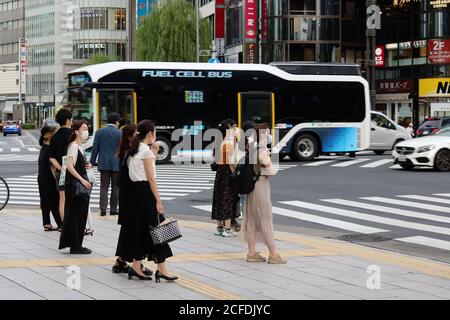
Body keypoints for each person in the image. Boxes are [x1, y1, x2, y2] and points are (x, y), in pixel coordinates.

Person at [115, 120, 177, 282]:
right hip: (145, 194)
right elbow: (150, 177)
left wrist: (154, 152)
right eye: (154, 132)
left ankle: (137, 266)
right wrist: (158, 200)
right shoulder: (145, 152)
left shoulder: (134, 150)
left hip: (135, 195)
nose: (155, 135)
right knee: (156, 231)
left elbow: (143, 170)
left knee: (141, 231)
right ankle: (161, 269)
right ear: (150, 134)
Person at [241, 124, 287, 264]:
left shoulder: (251, 147)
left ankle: (251, 253)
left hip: (252, 188)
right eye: (267, 132)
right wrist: (272, 166)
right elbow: (272, 171)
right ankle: (273, 254)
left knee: (251, 220)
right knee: (265, 220)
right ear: (261, 134)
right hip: (261, 188)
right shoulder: (261, 150)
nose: (269, 135)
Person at [112, 123, 152, 276]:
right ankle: (131, 263)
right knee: (132, 230)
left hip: (128, 195)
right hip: (130, 196)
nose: (138, 135)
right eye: (136, 133)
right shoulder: (131, 151)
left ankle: (125, 262)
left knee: (130, 230)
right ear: (130, 136)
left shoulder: (129, 150)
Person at [59, 120, 93, 254]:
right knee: (75, 215)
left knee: (80, 214)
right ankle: (75, 245)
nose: (86, 131)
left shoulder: (80, 146)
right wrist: (82, 180)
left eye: (86, 128)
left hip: (80, 184)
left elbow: (77, 164)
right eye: (83, 129)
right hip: (75, 186)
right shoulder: (73, 146)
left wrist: (87, 165)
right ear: (76, 131)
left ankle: (77, 244)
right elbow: (69, 166)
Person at [211, 119, 240, 237]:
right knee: (227, 199)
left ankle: (219, 227)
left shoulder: (218, 141)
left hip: (219, 173)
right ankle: (227, 229)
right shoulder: (229, 143)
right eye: (233, 127)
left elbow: (214, 157)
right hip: (227, 172)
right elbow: (232, 162)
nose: (236, 130)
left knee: (219, 199)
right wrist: (235, 174)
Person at [90, 113, 121, 216]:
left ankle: (103, 209)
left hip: (103, 164)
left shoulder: (99, 132)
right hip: (116, 164)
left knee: (104, 187)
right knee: (115, 187)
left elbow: (95, 148)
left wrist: (92, 162)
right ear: (116, 122)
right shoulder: (119, 133)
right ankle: (113, 210)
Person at [49, 108, 73, 221]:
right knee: (73, 199)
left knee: (62, 199)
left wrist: (61, 168)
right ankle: (73, 224)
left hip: (61, 172)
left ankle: (64, 225)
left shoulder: (55, 136)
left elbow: (51, 157)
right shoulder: (73, 134)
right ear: (68, 120)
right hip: (73, 171)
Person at [38, 126, 62, 232]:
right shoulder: (50, 150)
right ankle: (61, 224)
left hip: (41, 178)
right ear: (49, 136)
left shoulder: (44, 148)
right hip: (48, 179)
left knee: (45, 201)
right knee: (54, 201)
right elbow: (53, 167)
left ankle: (47, 224)